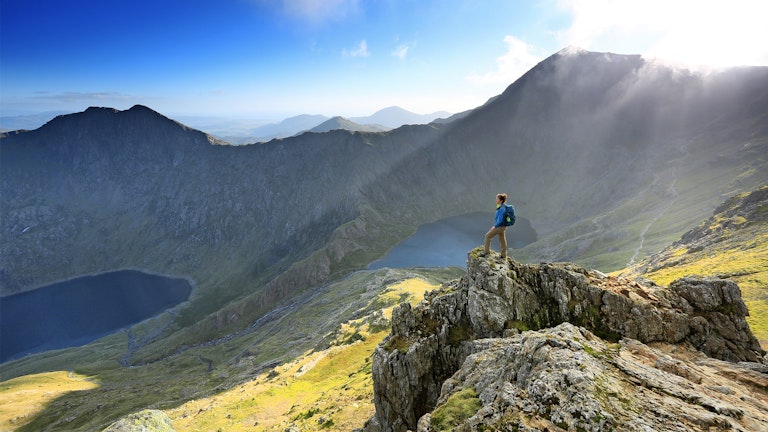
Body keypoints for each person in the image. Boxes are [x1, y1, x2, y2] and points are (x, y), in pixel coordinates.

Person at [483, 193, 508, 258]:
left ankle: (486, 252)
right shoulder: (502, 206)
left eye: (497, 199)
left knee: (487, 236)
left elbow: (499, 220)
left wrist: (494, 226)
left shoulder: (502, 208)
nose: (496, 200)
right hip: (503, 226)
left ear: (501, 200)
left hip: (500, 226)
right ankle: (503, 255)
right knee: (502, 239)